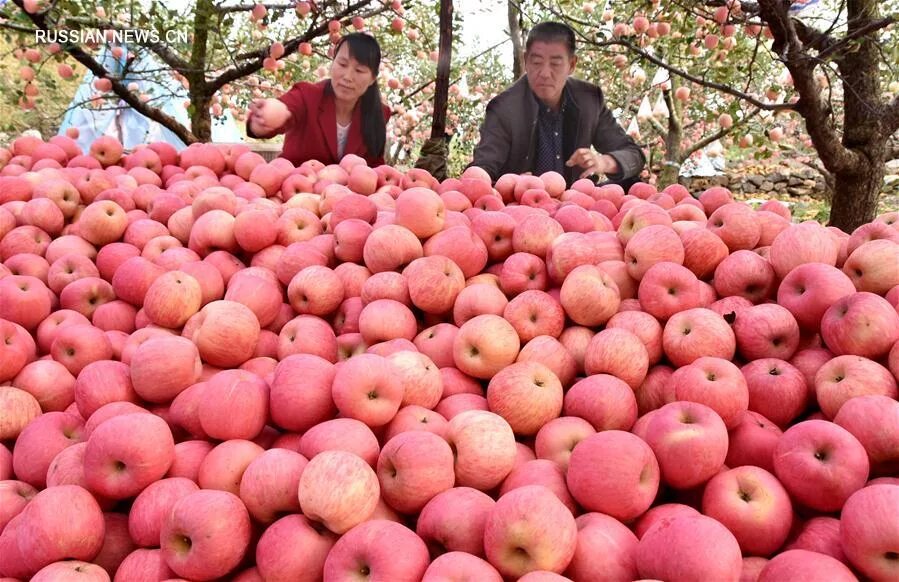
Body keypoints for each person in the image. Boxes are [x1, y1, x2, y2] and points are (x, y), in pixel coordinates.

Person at [470, 21, 645, 189]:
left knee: (634, 183)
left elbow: (633, 154)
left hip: (577, 202)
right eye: (537, 63)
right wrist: (509, 184)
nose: (545, 73)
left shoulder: (589, 99)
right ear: (526, 61)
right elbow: (483, 167)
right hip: (523, 204)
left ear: (572, 65)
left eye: (555, 64)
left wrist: (603, 162)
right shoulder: (504, 108)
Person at [246, 33, 390, 166]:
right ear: (332, 64)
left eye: (359, 70)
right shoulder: (307, 95)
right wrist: (263, 121)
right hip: (293, 187)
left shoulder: (379, 113)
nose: (347, 76)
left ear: (372, 79)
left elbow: (374, 167)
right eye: (342, 64)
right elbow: (285, 109)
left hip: (347, 193)